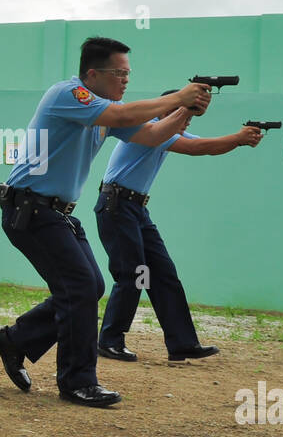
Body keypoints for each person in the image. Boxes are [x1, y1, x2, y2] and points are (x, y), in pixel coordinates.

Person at [0, 37, 210, 407]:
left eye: (128, 74)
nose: (125, 80)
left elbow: (152, 134)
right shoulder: (68, 95)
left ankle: (15, 339)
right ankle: (78, 382)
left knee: (89, 286)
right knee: (78, 286)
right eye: (119, 73)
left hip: (54, 213)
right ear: (93, 73)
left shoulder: (106, 111)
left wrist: (184, 112)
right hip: (30, 209)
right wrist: (178, 98)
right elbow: (124, 117)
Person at [95, 101, 262, 362]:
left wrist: (239, 140)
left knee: (163, 273)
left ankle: (182, 343)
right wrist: (238, 138)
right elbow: (197, 148)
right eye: (184, 117)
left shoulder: (168, 133)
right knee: (135, 274)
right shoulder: (150, 128)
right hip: (117, 206)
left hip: (135, 209)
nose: (186, 124)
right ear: (166, 114)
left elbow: (208, 146)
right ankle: (110, 340)